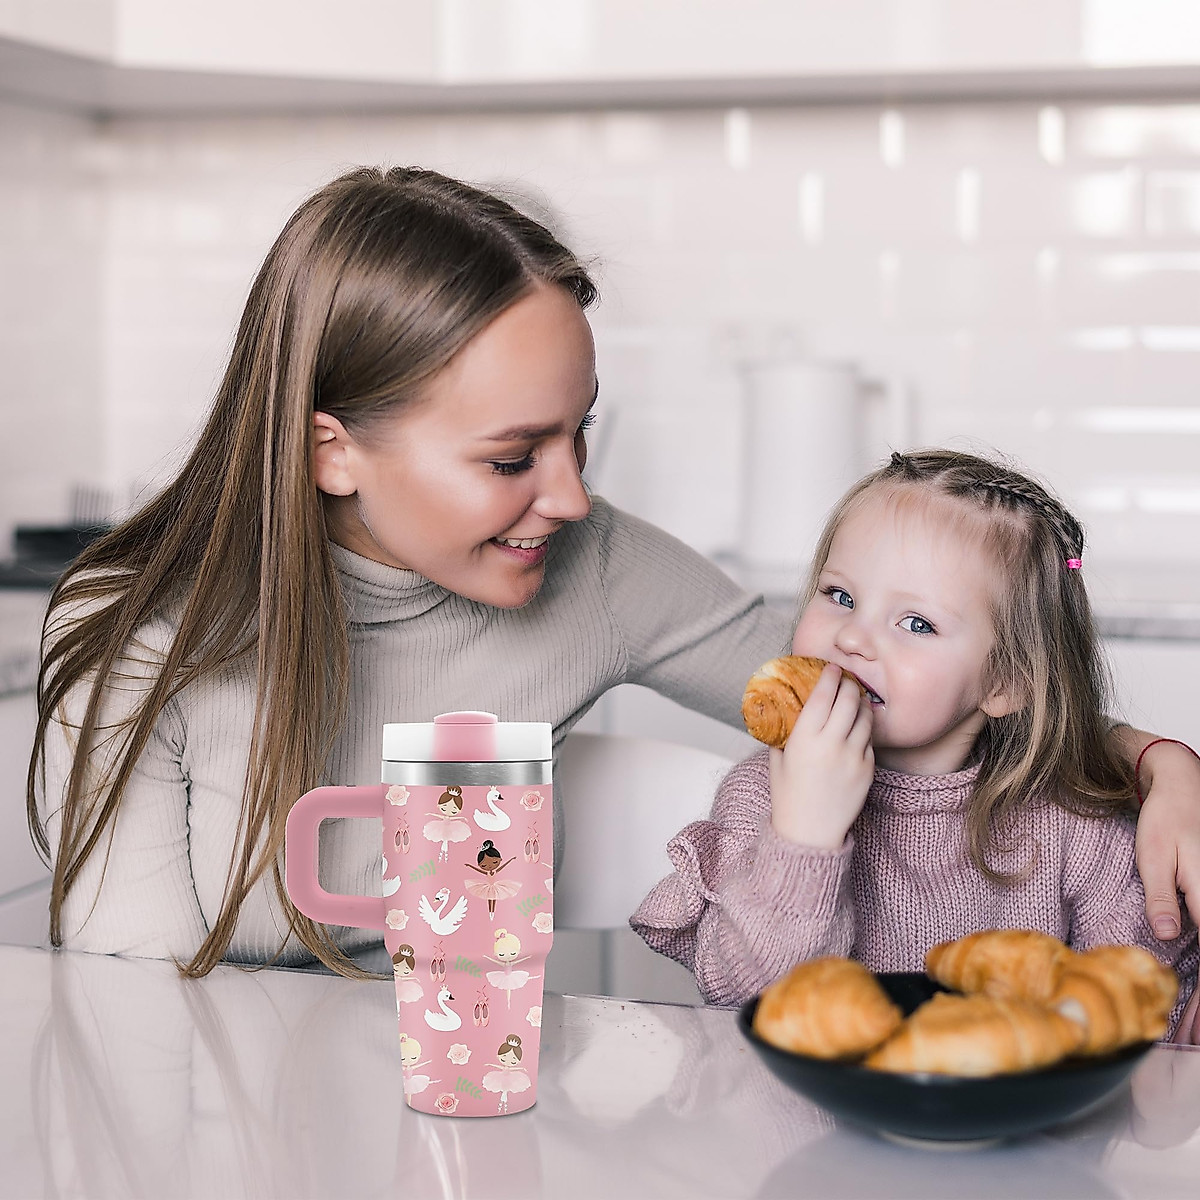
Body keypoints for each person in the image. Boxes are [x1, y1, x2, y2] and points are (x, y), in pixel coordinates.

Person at [25, 167, 1200, 979]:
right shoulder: (138, 633)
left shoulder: (596, 567)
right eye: (510, 457)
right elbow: (133, 1017)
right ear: (333, 447)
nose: (574, 496)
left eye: (581, 433)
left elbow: (872, 689)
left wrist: (1158, 759)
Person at [630, 450, 1200, 1041]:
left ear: (1007, 683)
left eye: (916, 624)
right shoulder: (762, 794)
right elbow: (747, 1002)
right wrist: (803, 836)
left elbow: (1147, 1025)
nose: (851, 637)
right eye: (839, 596)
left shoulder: (1076, 828)